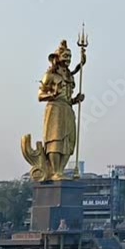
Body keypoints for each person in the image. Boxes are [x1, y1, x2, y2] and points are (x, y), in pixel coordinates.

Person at [38, 40, 85, 180]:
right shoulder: (50, 75)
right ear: (57, 58)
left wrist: (75, 100)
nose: (68, 59)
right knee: (55, 139)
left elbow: (68, 99)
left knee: (69, 141)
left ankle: (61, 170)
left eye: (70, 56)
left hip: (67, 109)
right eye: (65, 56)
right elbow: (40, 95)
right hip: (55, 109)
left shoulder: (69, 76)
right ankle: (55, 171)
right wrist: (52, 95)